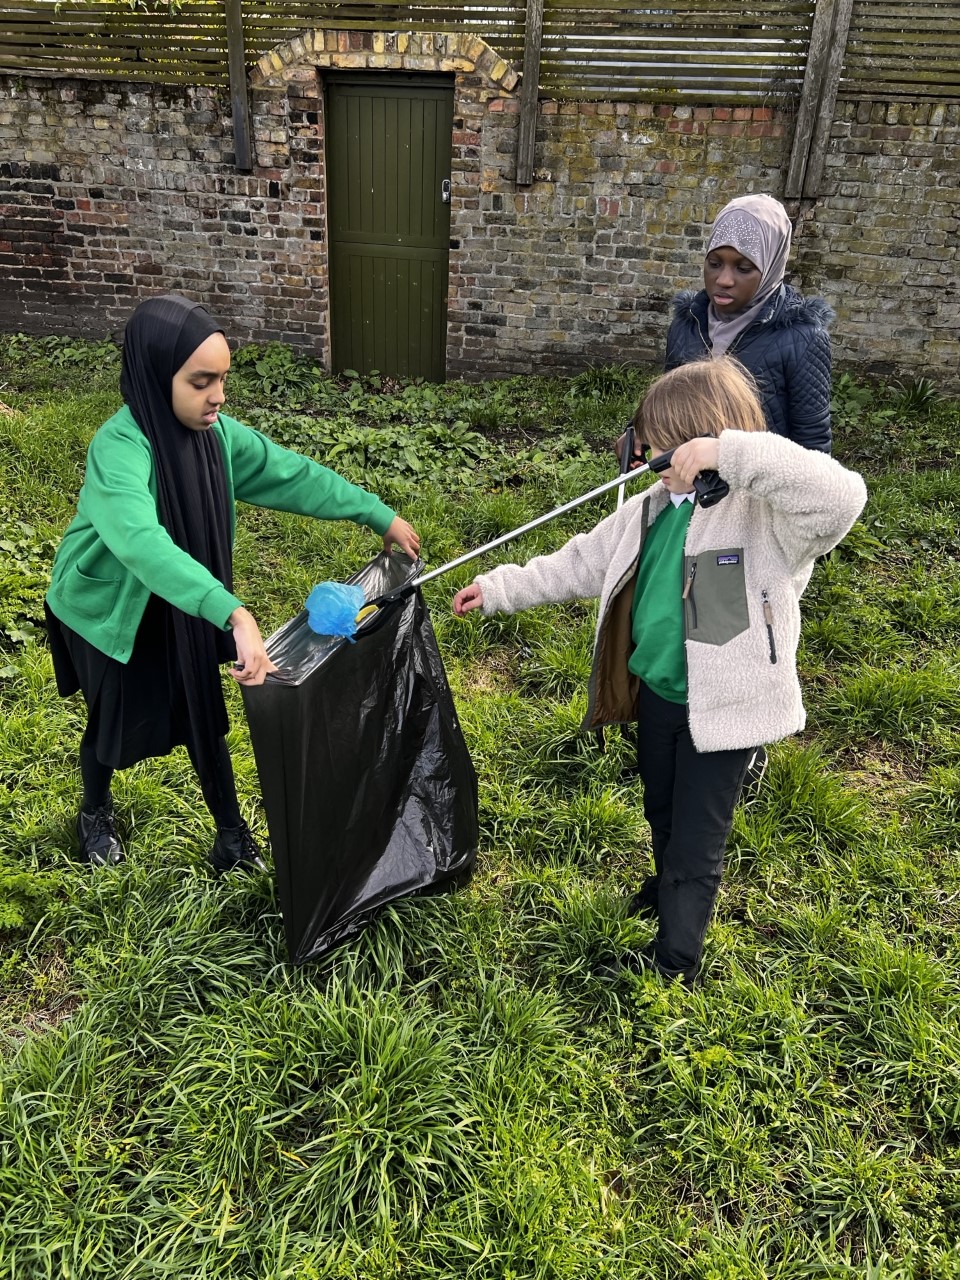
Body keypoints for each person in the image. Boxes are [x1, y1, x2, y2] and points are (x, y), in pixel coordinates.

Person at [453, 357, 865, 985]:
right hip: (660, 695)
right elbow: (581, 561)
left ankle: (677, 962)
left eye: (664, 443)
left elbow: (842, 494)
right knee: (662, 808)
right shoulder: (653, 506)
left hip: (724, 711)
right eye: (647, 440)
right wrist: (501, 588)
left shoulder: (770, 519)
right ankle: (663, 882)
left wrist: (729, 453)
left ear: (707, 443)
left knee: (699, 841)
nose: (646, 453)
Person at [45, 294, 420, 873]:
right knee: (111, 724)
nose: (217, 395)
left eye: (222, 378)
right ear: (155, 374)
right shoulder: (117, 450)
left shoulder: (215, 436)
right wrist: (235, 613)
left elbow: (289, 473)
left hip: (189, 602)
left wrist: (376, 513)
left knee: (203, 715)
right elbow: (141, 543)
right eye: (200, 382)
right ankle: (94, 810)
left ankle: (231, 836)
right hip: (109, 610)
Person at [664, 193, 834, 454]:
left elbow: (812, 443)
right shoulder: (688, 323)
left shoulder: (802, 338)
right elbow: (667, 401)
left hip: (757, 486)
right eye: (714, 263)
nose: (724, 279)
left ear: (771, 268)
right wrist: (638, 431)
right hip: (690, 483)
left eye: (743, 268)